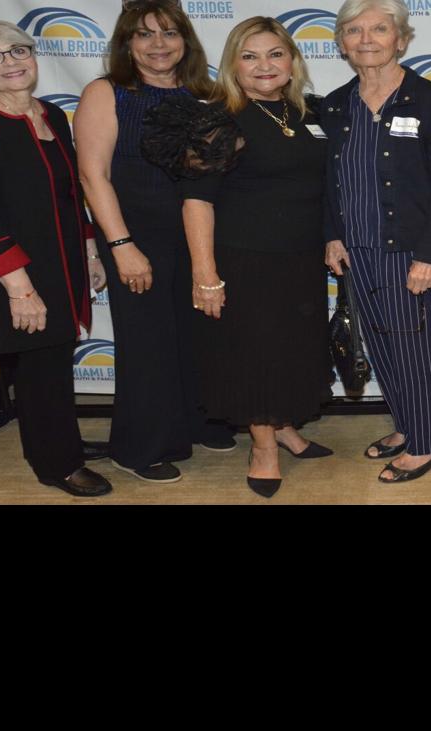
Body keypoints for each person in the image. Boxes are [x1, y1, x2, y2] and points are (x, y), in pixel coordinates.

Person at [151, 16, 334, 498]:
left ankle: (285, 427)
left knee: (293, 349)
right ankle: (263, 448)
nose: (264, 65)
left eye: (275, 54)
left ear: (292, 61)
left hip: (300, 259)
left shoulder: (306, 115)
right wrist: (205, 274)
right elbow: (196, 200)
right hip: (246, 261)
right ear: (233, 65)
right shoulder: (220, 119)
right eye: (250, 56)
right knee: (255, 356)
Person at [0, 21, 111, 498]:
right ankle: (55, 464)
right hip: (16, 275)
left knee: (57, 363)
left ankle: (64, 442)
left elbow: (67, 195)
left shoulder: (52, 117)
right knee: (39, 371)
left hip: (62, 263)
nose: (10, 62)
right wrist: (19, 289)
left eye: (18, 50)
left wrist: (89, 248)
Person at [77, 0, 232, 485]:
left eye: (168, 33)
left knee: (196, 335)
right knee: (147, 342)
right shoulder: (108, 92)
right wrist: (121, 244)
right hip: (135, 235)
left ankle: (196, 421)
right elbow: (92, 175)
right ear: (127, 44)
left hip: (196, 234)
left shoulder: (204, 93)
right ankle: (138, 446)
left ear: (185, 40)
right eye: (144, 35)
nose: (158, 45)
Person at [322, 0, 431, 484]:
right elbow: (329, 180)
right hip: (358, 250)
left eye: (379, 29)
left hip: (414, 250)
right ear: (341, 43)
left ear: (401, 40)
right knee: (384, 349)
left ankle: (429, 442)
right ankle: (409, 426)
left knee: (416, 349)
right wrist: (333, 235)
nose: (366, 39)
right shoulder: (337, 102)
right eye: (354, 31)